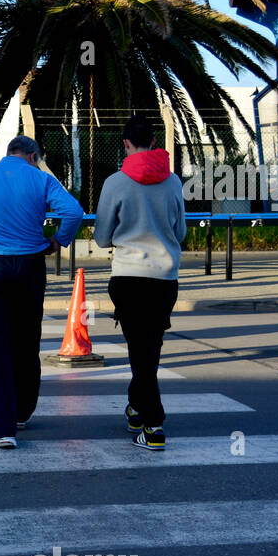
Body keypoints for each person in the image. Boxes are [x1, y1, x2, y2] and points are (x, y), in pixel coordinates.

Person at [0, 136, 84, 448]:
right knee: (26, 340)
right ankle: (23, 412)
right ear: (34, 155)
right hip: (29, 266)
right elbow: (74, 211)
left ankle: (1, 429)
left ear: (7, 153)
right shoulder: (41, 178)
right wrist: (58, 240)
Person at [93, 113, 186, 452]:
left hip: (129, 276)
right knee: (150, 348)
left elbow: (102, 237)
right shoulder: (173, 181)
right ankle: (136, 406)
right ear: (154, 142)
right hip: (165, 277)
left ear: (126, 144)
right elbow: (180, 232)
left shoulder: (115, 183)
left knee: (139, 351)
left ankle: (154, 423)